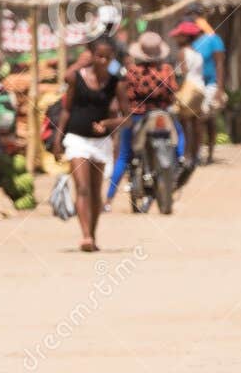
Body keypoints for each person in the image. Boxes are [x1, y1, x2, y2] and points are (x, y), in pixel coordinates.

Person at [54, 37, 123, 251]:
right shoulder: (77, 78)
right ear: (91, 56)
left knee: (95, 191)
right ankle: (85, 235)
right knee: (82, 187)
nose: (103, 60)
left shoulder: (116, 82)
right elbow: (66, 109)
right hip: (77, 139)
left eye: (108, 57)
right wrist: (58, 139)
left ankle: (92, 234)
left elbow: (127, 116)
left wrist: (108, 124)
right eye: (99, 56)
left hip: (100, 143)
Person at [106, 30, 184, 207]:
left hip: (137, 115)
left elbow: (126, 94)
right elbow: (173, 91)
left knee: (124, 156)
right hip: (163, 112)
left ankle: (109, 198)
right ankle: (180, 158)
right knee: (179, 133)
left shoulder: (132, 72)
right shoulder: (166, 70)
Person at [169, 20, 207, 170]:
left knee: (183, 125)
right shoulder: (197, 54)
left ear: (185, 37)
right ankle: (196, 154)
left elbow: (182, 73)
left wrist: (175, 90)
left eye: (179, 36)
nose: (176, 39)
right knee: (196, 124)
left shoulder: (182, 52)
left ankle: (185, 156)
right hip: (200, 88)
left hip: (188, 89)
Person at [191, 18, 227, 164]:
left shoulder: (214, 39)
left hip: (211, 84)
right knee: (202, 119)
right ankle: (199, 153)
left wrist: (219, 87)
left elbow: (220, 63)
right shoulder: (192, 41)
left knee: (204, 118)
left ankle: (206, 153)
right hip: (196, 85)